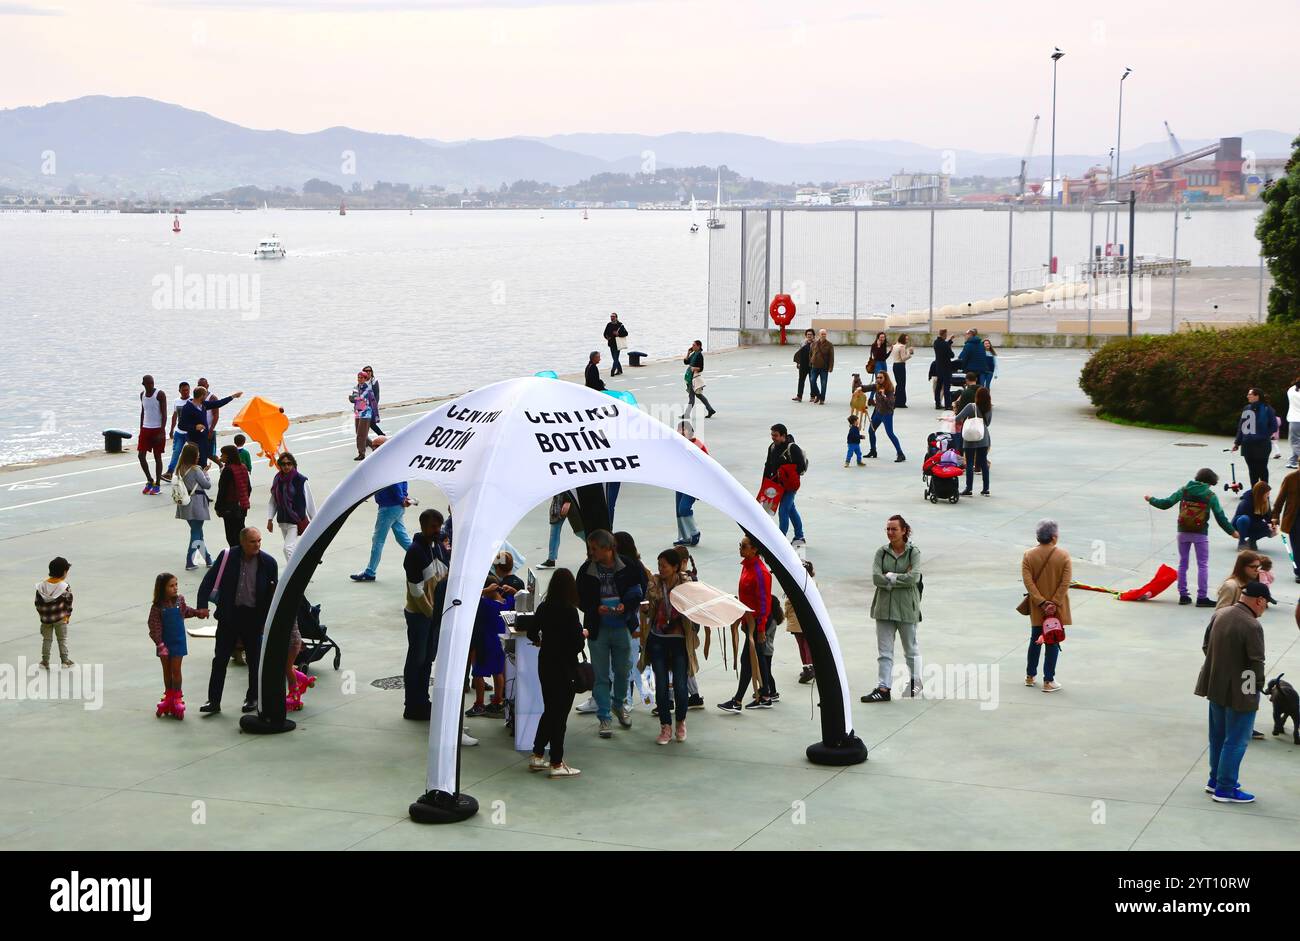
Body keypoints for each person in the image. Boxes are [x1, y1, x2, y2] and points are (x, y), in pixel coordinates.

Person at [1196, 580, 1274, 803]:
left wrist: (1222, 669)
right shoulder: (1252, 625)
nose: (1264, 609)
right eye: (1266, 604)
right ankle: (1226, 788)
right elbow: (1256, 663)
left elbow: (1206, 647)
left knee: (1218, 736)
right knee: (1236, 740)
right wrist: (1253, 690)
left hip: (1215, 685)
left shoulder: (1220, 613)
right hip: (1241, 690)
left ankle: (1215, 780)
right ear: (1259, 601)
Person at [196, 526, 278, 715]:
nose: (257, 545)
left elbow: (272, 594)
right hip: (229, 616)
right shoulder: (227, 557)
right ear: (242, 542)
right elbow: (208, 581)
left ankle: (252, 698)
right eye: (252, 541)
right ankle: (213, 701)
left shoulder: (268, 563)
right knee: (220, 660)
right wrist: (202, 605)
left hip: (253, 619)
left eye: (259, 541)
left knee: (254, 660)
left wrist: (269, 621)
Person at [575, 529, 645, 739]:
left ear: (608, 548)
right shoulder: (587, 570)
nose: (591, 552)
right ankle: (604, 716)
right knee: (601, 674)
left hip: (622, 626)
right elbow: (579, 597)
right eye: (590, 548)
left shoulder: (628, 566)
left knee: (624, 669)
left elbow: (639, 589)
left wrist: (627, 605)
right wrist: (595, 608)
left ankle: (618, 704)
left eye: (594, 548)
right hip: (598, 628)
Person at [1146, 469, 1239, 607]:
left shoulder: (1184, 490)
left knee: (1183, 564)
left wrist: (1151, 499)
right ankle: (1202, 597)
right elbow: (1220, 517)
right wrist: (1232, 532)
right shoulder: (1210, 495)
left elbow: (1166, 503)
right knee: (1202, 565)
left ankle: (1183, 596)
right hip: (1200, 533)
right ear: (1210, 482)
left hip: (1182, 532)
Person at [527, 567, 585, 778]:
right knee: (559, 716)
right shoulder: (570, 611)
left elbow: (532, 632)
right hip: (565, 667)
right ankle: (557, 762)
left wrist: (543, 641)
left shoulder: (544, 607)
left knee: (550, 709)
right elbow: (577, 644)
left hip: (546, 664)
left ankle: (537, 754)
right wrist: (582, 634)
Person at [862, 516, 923, 702]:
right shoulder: (881, 552)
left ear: (904, 530)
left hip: (906, 608)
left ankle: (915, 682)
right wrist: (900, 577)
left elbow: (914, 578)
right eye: (887, 529)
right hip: (883, 608)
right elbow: (875, 578)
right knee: (884, 652)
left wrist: (889, 577)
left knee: (910, 649)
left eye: (894, 529)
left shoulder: (914, 552)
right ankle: (883, 688)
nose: (890, 533)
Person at [402, 509, 450, 722]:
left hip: (432, 615)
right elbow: (415, 591)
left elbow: (444, 573)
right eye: (433, 527)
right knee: (417, 659)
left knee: (427, 659)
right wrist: (432, 614)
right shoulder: (414, 552)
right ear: (423, 526)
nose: (437, 530)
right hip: (420, 615)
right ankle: (412, 705)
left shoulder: (437, 546)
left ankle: (422, 700)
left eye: (439, 526)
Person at [640, 548, 692, 744]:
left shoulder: (686, 584)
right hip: (658, 638)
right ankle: (665, 727)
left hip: (679, 639)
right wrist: (645, 609)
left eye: (664, 566)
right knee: (661, 685)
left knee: (680, 685)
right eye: (659, 565)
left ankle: (680, 722)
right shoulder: (654, 583)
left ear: (675, 567)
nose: (660, 569)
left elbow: (694, 606)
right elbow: (647, 608)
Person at [717, 535, 774, 712]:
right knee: (757, 658)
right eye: (740, 545)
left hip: (758, 623)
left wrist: (761, 628)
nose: (740, 548)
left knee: (747, 659)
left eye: (744, 546)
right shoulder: (747, 567)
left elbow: (764, 603)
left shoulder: (761, 572)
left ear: (754, 549)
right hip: (750, 622)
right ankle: (765, 695)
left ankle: (738, 700)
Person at [350, 438, 412, 582]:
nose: (374, 450)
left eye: (376, 447)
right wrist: (404, 498)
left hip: (388, 507)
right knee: (402, 538)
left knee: (378, 540)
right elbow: (403, 482)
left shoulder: (385, 464)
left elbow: (393, 485)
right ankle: (427, 560)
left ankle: (370, 571)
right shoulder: (395, 462)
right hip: (397, 507)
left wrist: (400, 498)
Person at [1021, 519, 1071, 692]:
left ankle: (1030, 676)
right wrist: (1054, 603)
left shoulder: (1028, 555)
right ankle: (1048, 681)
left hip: (1037, 607)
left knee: (1036, 639)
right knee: (1052, 639)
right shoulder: (1064, 556)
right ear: (1054, 537)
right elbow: (1065, 583)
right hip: (1056, 608)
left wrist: (1041, 602)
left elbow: (1028, 583)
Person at [148, 572, 206, 718]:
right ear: (162, 588)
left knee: (176, 670)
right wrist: (160, 644)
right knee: (166, 671)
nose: (175, 588)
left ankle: (177, 696)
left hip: (178, 641)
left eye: (176, 585)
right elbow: (154, 626)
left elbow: (185, 612)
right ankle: (168, 695)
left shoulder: (180, 600)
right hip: (164, 643)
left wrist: (198, 613)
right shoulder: (157, 607)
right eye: (171, 586)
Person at [465, 576, 511, 718]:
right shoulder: (506, 603)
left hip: (482, 643)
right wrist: (512, 590)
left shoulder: (485, 604)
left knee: (478, 674)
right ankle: (498, 701)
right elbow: (516, 596)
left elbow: (470, 597)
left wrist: (484, 590)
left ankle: (479, 704)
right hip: (500, 643)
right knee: (498, 672)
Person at [177, 386, 243, 472]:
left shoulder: (203, 404)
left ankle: (203, 478)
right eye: (205, 394)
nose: (206, 396)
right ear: (202, 396)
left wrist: (233, 396)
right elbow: (181, 425)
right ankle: (196, 479)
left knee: (203, 460)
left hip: (204, 438)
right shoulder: (188, 407)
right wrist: (195, 427)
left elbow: (218, 403)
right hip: (194, 440)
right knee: (197, 461)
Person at [266, 451, 317, 561]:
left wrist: (315, 521)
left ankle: (293, 575)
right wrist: (270, 519)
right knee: (291, 549)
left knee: (287, 548)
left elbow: (310, 502)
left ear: (293, 464)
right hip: (282, 520)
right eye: (283, 464)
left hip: (295, 520)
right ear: (280, 465)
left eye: (289, 463)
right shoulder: (277, 480)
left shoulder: (301, 480)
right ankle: (299, 570)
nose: (286, 466)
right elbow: (273, 501)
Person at [764, 424, 806, 547]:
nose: (773, 438)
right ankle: (799, 536)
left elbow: (801, 467)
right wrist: (765, 484)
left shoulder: (793, 448)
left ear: (783, 435)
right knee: (790, 509)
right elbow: (767, 465)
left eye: (775, 435)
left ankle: (780, 541)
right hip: (776, 485)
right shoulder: (772, 447)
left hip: (790, 486)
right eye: (772, 435)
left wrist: (786, 469)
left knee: (783, 510)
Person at [174, 442, 213, 570]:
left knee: (198, 532)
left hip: (185, 503)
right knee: (196, 532)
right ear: (193, 456)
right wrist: (206, 473)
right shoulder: (196, 469)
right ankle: (190, 561)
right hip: (197, 503)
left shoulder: (180, 468)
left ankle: (207, 558)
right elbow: (207, 485)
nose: (198, 456)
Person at [1232, 387, 1278, 487]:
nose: (1247, 396)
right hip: (1247, 444)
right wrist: (1237, 442)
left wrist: (1262, 436)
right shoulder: (1246, 408)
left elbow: (1274, 426)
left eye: (1250, 394)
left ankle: (1265, 493)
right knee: (1252, 471)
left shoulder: (1267, 409)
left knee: (1262, 470)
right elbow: (1242, 427)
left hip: (1262, 445)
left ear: (1257, 396)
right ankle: (1254, 493)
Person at [34, 556, 74, 669]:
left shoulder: (41, 586)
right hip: (60, 618)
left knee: (47, 639)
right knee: (62, 639)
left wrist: (43, 614)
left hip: (46, 619)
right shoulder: (64, 587)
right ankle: (65, 661)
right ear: (64, 572)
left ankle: (45, 661)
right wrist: (67, 616)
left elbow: (37, 602)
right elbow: (69, 602)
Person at [674, 420, 708, 546]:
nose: (681, 432)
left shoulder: (697, 445)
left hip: (693, 483)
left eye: (684, 429)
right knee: (678, 510)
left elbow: (705, 465)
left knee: (684, 508)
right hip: (680, 482)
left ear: (691, 432)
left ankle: (694, 533)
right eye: (679, 429)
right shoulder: (678, 444)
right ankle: (684, 536)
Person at [954, 386, 992, 496]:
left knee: (969, 463)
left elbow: (958, 418)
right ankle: (986, 489)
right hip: (983, 437)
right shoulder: (989, 408)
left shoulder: (971, 407)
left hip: (970, 437)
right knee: (983, 462)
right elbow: (988, 423)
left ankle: (969, 488)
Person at [784, 560, 816, 684]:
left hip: (796, 620)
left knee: (802, 644)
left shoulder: (794, 584)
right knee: (808, 644)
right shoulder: (813, 584)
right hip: (808, 619)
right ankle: (810, 666)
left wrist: (786, 614)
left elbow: (788, 604)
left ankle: (807, 667)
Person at [214, 444, 251, 548]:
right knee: (241, 532)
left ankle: (236, 557)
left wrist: (218, 507)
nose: (221, 457)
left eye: (223, 455)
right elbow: (249, 488)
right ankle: (244, 554)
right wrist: (244, 499)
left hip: (230, 508)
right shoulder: (243, 467)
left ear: (228, 456)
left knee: (231, 536)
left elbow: (222, 491)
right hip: (242, 506)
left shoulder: (227, 470)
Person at [137, 374, 168, 495]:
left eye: (152, 383)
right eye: (148, 383)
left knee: (157, 457)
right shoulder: (142, 395)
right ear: (143, 384)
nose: (151, 385)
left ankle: (158, 484)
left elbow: (164, 414)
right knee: (141, 456)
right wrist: (141, 429)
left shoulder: (160, 394)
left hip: (157, 429)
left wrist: (162, 431)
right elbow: (143, 412)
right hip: (146, 428)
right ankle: (150, 480)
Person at [865, 371, 905, 463]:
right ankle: (873, 451)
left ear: (885, 378)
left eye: (880, 378)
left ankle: (900, 454)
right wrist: (859, 388)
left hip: (887, 414)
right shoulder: (877, 385)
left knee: (890, 434)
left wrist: (883, 395)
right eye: (877, 377)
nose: (878, 379)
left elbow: (891, 403)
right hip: (878, 413)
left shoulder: (889, 389)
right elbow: (869, 387)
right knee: (871, 431)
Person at [1270, 465, 1300, 582]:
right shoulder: (1290, 478)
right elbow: (1280, 499)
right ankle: (1298, 572)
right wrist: (1275, 516)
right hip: (1294, 517)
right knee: (1297, 546)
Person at [542, 489, 583, 567]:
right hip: (558, 500)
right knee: (554, 531)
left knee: (580, 531)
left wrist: (568, 500)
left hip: (571, 500)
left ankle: (597, 549)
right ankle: (551, 560)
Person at [161, 380, 191, 483]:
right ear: (179, 391)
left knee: (193, 453)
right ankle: (169, 473)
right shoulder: (176, 401)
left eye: (187, 390)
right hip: (179, 432)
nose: (186, 392)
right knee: (176, 452)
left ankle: (198, 473)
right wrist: (171, 429)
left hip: (190, 433)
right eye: (183, 390)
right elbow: (175, 416)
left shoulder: (193, 400)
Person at [1232, 481, 1276, 551]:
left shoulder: (1264, 501)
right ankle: (1242, 543)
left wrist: (1273, 525)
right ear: (1260, 494)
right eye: (1267, 494)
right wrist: (1266, 525)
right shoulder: (1246, 502)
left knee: (1270, 530)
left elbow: (1268, 517)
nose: (1268, 496)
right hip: (1240, 525)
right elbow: (1252, 521)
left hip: (1253, 524)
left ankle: (1251, 541)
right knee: (1244, 519)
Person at [684, 339, 716, 418]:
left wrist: (694, 368)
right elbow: (686, 362)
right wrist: (688, 353)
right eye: (692, 345)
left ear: (699, 346)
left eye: (694, 345)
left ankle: (687, 414)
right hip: (690, 377)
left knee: (692, 397)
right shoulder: (694, 354)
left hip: (694, 378)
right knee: (698, 395)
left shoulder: (699, 355)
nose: (692, 346)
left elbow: (701, 368)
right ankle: (710, 409)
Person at [348, 370, 375, 461]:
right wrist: (353, 398)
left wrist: (376, 415)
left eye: (361, 378)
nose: (359, 379)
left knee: (360, 435)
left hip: (366, 413)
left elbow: (362, 398)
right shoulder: (356, 387)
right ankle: (374, 446)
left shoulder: (368, 388)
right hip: (358, 413)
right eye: (358, 377)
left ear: (365, 378)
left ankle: (361, 454)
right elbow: (354, 396)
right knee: (360, 434)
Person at [808, 329, 834, 405]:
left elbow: (831, 357)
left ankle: (822, 399)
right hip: (814, 366)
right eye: (822, 334)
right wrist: (811, 362)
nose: (823, 335)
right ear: (819, 335)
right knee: (812, 381)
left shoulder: (829, 344)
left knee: (823, 383)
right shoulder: (814, 343)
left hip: (824, 367)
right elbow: (810, 354)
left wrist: (830, 367)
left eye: (824, 334)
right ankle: (818, 395)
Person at [932, 329, 955, 409]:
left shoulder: (936, 343)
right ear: (944, 334)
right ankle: (947, 405)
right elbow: (952, 355)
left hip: (939, 367)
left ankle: (937, 403)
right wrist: (949, 344)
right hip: (946, 368)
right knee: (946, 387)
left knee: (938, 386)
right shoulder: (945, 344)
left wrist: (950, 341)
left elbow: (944, 346)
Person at [891, 334, 914, 408]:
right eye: (906, 339)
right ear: (903, 339)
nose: (907, 341)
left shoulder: (895, 345)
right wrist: (909, 353)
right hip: (900, 366)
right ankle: (901, 402)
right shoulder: (902, 347)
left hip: (895, 365)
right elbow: (903, 358)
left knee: (898, 384)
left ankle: (896, 400)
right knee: (902, 384)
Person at [792, 328, 815, 402]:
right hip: (803, 365)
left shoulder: (816, 344)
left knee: (812, 381)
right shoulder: (803, 343)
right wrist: (798, 363)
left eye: (811, 334)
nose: (809, 336)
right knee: (801, 380)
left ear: (813, 336)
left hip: (812, 365)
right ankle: (799, 396)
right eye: (808, 334)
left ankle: (812, 397)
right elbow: (800, 354)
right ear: (806, 335)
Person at [361, 365, 384, 436]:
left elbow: (377, 394)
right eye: (366, 371)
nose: (368, 372)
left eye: (369, 371)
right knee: (364, 423)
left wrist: (374, 406)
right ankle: (365, 440)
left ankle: (382, 435)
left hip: (371, 406)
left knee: (370, 423)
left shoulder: (374, 381)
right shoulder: (361, 381)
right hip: (362, 406)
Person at [1286, 377, 1300, 470]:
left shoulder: (1291, 390)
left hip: (1295, 419)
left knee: (1294, 442)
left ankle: (1295, 460)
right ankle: (1293, 461)